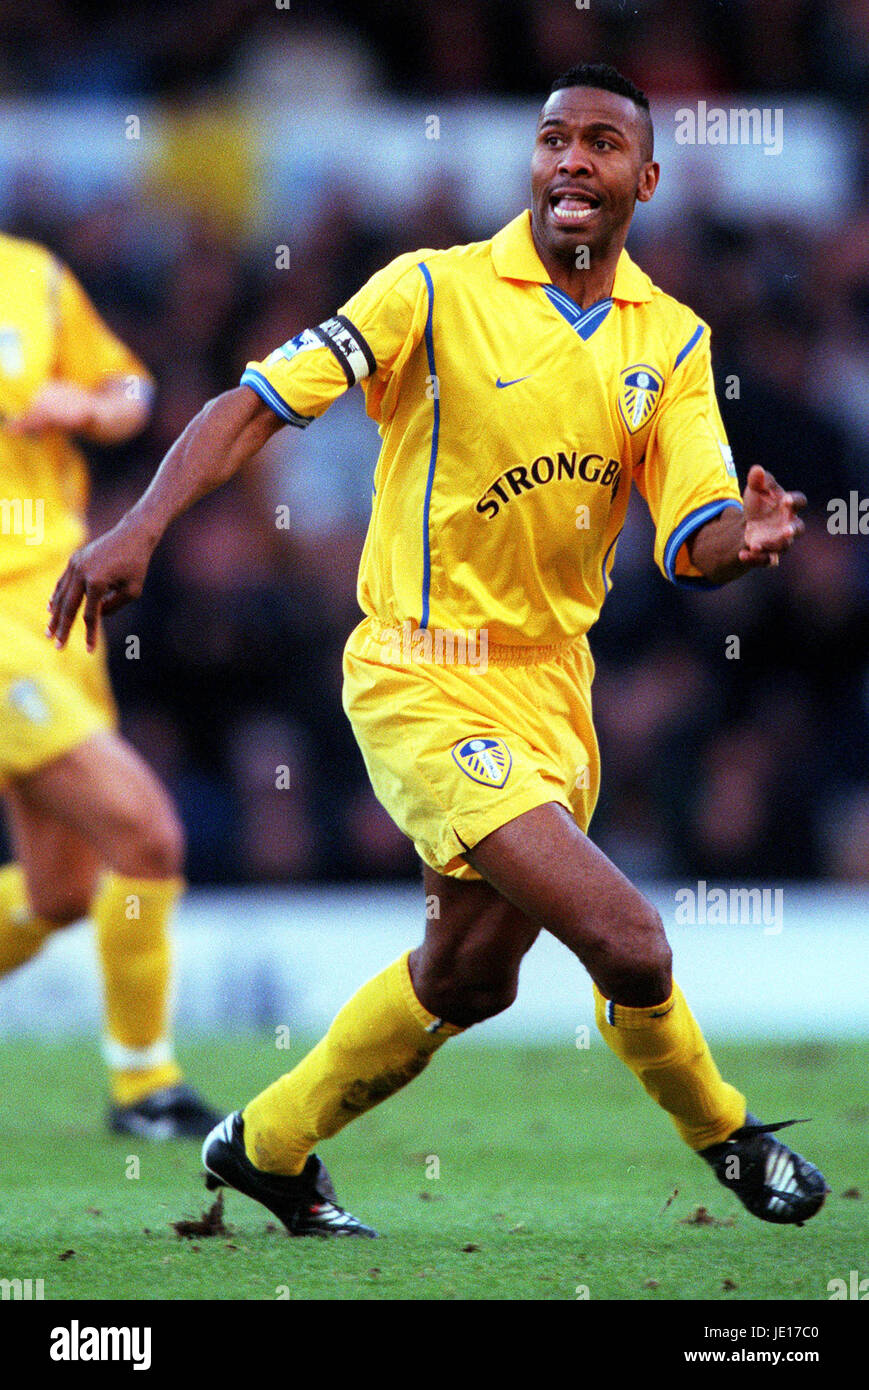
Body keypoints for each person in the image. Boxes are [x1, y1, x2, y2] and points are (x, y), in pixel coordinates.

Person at [48, 64, 827, 1232]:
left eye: (601, 144)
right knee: (627, 937)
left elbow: (692, 531)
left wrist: (743, 539)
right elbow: (255, 402)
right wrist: (143, 523)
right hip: (419, 671)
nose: (571, 160)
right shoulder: (430, 289)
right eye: (552, 139)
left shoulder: (667, 343)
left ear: (644, 179)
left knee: (468, 974)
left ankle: (263, 1147)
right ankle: (726, 1133)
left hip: (553, 688)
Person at [0, 230, 219, 1139]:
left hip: (59, 603)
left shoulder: (32, 274)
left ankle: (143, 1088)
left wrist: (86, 407)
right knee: (147, 833)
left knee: (56, 891)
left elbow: (133, 392)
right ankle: (146, 1086)